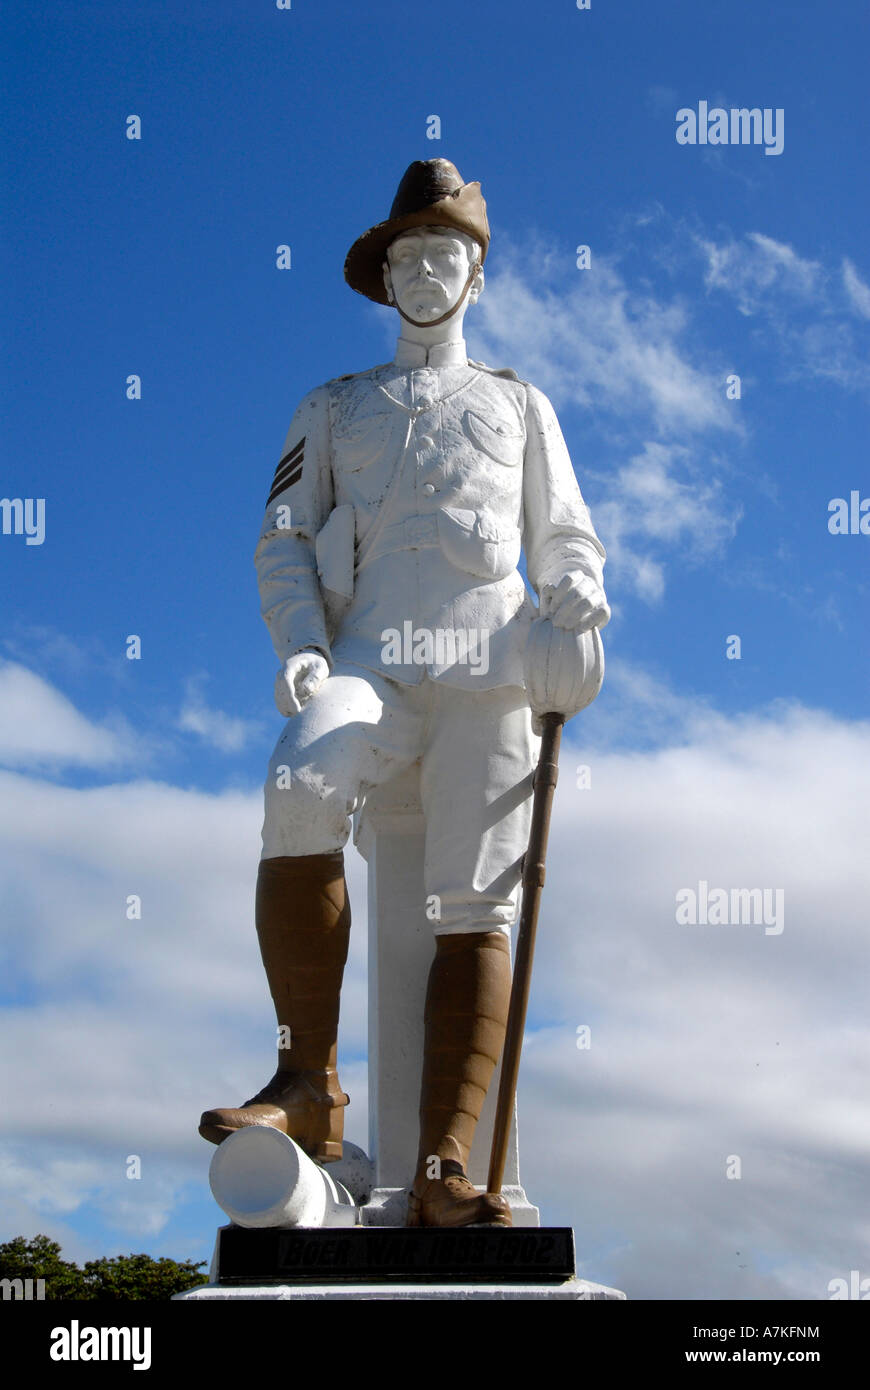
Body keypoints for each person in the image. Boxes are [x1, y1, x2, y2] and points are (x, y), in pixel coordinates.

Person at [199, 159, 610, 1228]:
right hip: (369, 661)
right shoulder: (332, 407)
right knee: (297, 786)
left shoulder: (522, 404)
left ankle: (442, 1168)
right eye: (409, 255)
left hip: (490, 666)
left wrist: (575, 585)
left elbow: (565, 533)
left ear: (478, 277)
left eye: (447, 254)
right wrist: (300, 641)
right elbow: (284, 538)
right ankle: (308, 1084)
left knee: (477, 901)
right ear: (384, 278)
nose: (427, 270)